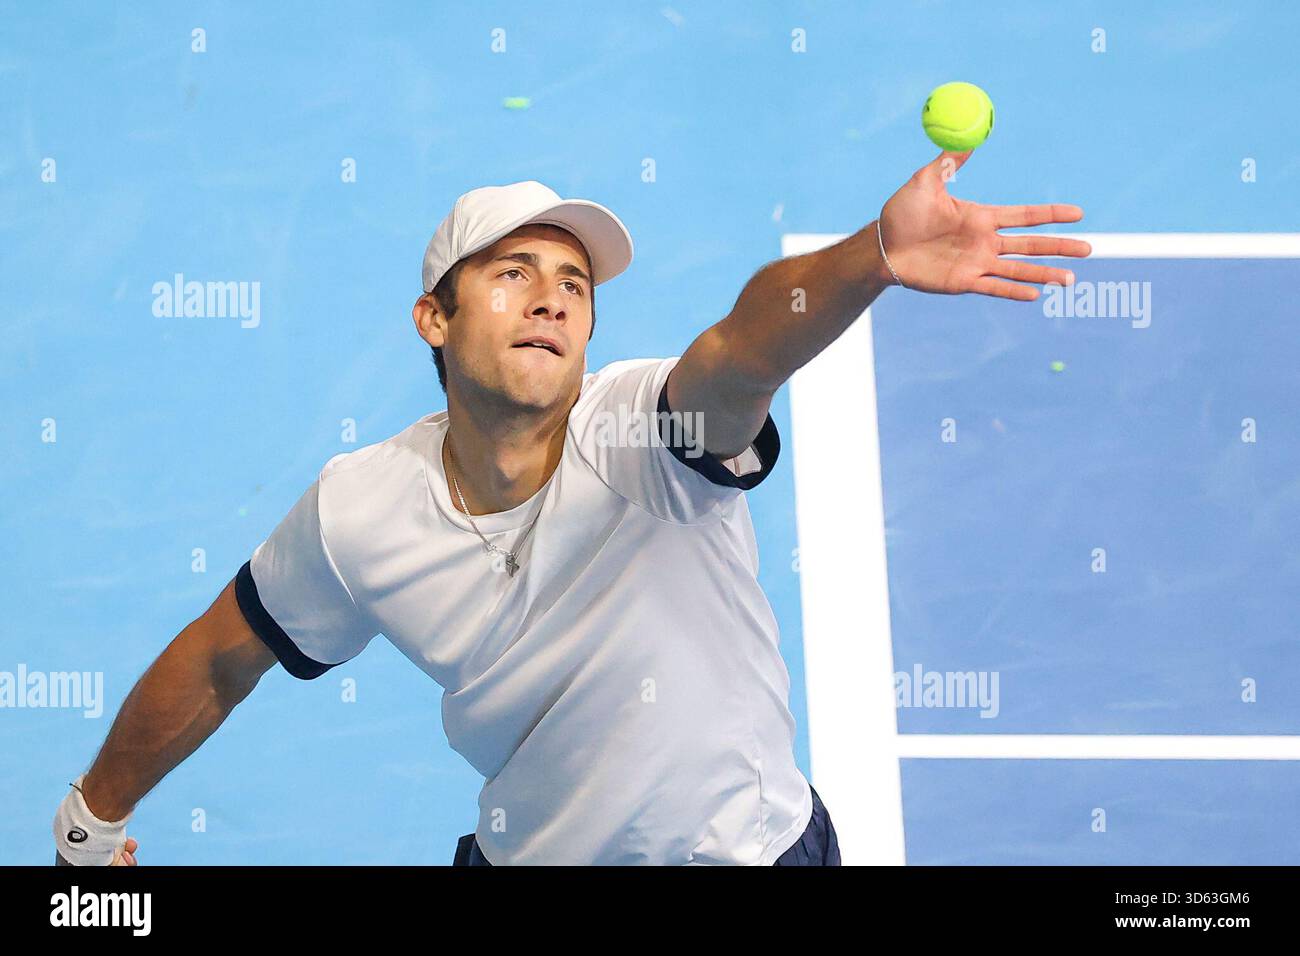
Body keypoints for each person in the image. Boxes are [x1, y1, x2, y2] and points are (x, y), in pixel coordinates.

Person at [54, 153, 1088, 866]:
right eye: (512, 274)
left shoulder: (644, 432)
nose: (553, 297)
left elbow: (740, 351)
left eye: (573, 284)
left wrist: (872, 255)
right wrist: (90, 821)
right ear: (434, 317)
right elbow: (218, 654)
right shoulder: (360, 511)